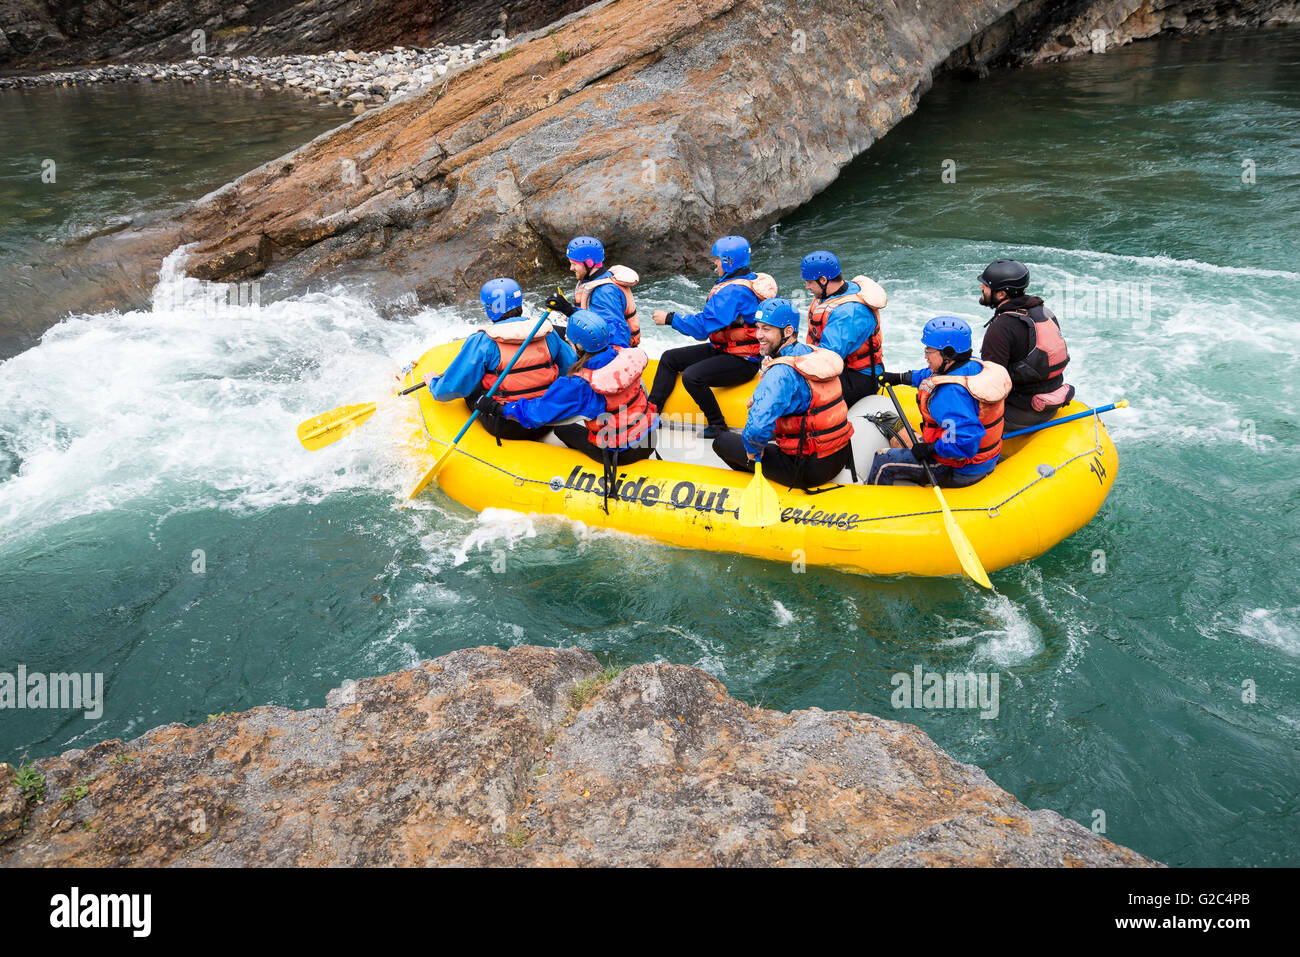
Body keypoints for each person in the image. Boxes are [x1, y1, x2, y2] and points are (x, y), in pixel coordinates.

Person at [483, 309, 657, 465]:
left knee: (561, 428)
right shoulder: (624, 354)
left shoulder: (580, 384)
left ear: (579, 347)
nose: (570, 345)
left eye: (571, 342)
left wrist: (498, 408)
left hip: (621, 454)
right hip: (650, 438)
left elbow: (536, 414)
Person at [712, 298, 854, 489]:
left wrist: (753, 449)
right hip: (839, 457)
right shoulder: (812, 353)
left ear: (787, 331)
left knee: (722, 441)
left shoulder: (780, 372)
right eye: (758, 327)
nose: (758, 335)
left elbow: (756, 428)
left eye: (766, 329)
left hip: (807, 470)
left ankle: (758, 485)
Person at [647, 235, 776, 437]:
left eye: (718, 259)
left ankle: (717, 425)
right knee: (669, 358)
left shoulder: (733, 291)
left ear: (729, 262)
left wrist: (670, 318)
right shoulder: (747, 279)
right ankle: (650, 416)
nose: (715, 262)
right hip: (724, 349)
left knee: (692, 376)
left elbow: (702, 328)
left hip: (743, 360)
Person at [421, 277, 577, 441]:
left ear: (490, 308)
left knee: (473, 387)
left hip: (507, 423)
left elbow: (450, 389)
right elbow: (570, 366)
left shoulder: (483, 341)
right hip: (546, 415)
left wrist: (434, 383)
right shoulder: (547, 332)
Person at [872, 316, 1009, 487]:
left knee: (883, 461)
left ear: (948, 354)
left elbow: (965, 442)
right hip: (984, 459)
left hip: (959, 468)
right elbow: (932, 375)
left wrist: (932, 449)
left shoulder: (950, 395)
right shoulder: (972, 366)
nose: (925, 356)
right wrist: (900, 378)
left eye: (929, 351)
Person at [977, 258, 1074, 432]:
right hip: (1049, 406)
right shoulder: (1045, 312)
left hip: (1021, 414)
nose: (981, 288)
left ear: (1001, 294)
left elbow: (991, 384)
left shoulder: (1002, 327)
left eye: (986, 285)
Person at [800, 250, 887, 407]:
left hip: (860, 378)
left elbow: (828, 359)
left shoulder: (848, 313)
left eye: (809, 282)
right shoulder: (831, 295)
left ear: (823, 280)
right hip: (841, 368)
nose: (806, 287)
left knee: (801, 396)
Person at [544, 236, 640, 348]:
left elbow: (615, 337)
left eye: (574, 264)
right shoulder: (599, 279)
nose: (571, 268)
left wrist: (570, 312)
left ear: (589, 263)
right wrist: (569, 310)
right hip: (594, 341)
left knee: (547, 335)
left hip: (607, 352)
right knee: (546, 329)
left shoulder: (604, 292)